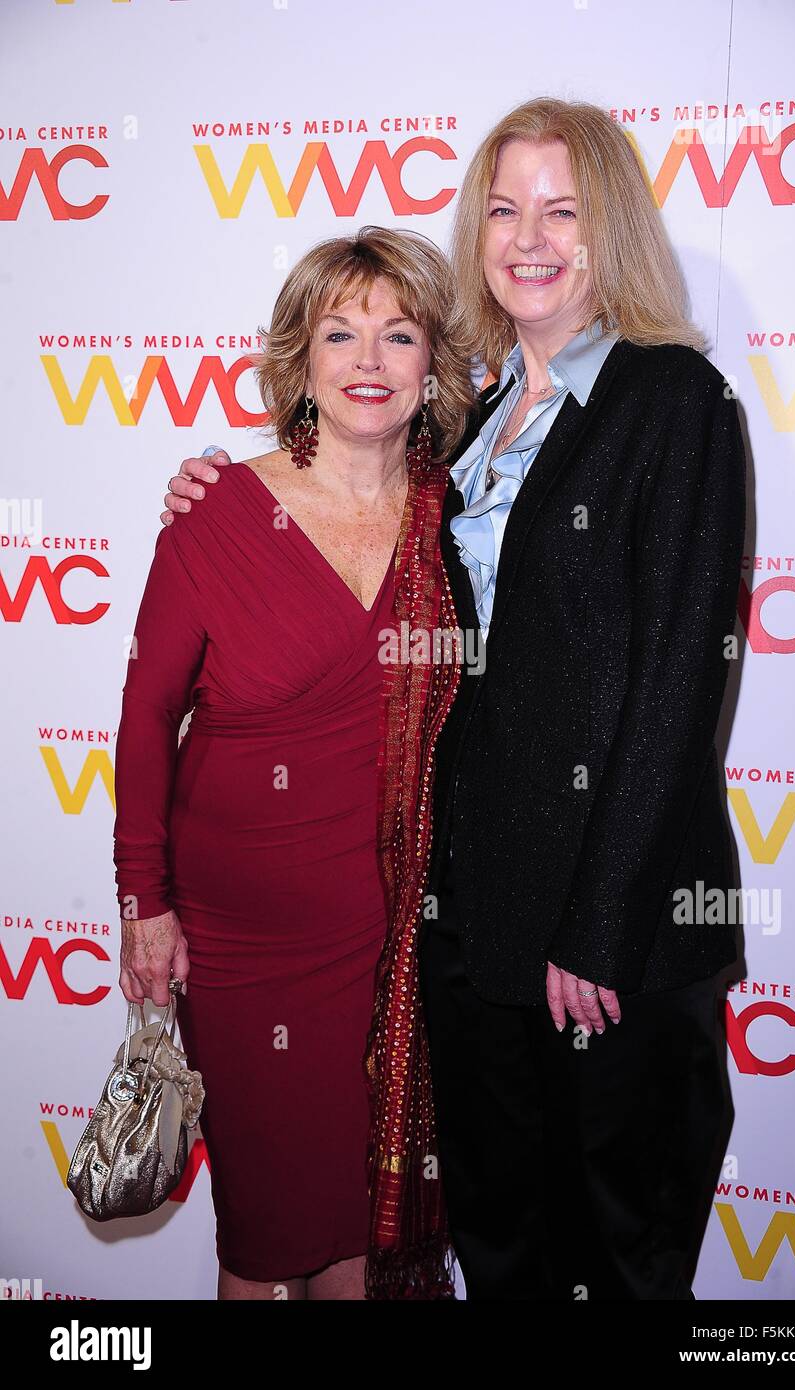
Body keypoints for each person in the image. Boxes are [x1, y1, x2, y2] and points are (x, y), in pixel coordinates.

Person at [165, 97, 747, 1301]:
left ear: (613, 231)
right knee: (506, 1255)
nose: (528, 236)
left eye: (563, 210)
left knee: (621, 1265)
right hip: (476, 937)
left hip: (612, 938)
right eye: (502, 208)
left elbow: (681, 686)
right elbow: (346, 502)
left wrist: (599, 925)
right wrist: (216, 488)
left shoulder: (670, 401)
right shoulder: (472, 425)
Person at [114, 227, 471, 1300]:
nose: (369, 359)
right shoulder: (218, 512)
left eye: (399, 333)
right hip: (245, 944)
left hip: (394, 939)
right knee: (265, 1245)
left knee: (364, 1235)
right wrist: (145, 902)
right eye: (341, 331)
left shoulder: (462, 518)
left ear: (432, 364)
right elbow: (144, 719)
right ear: (300, 358)